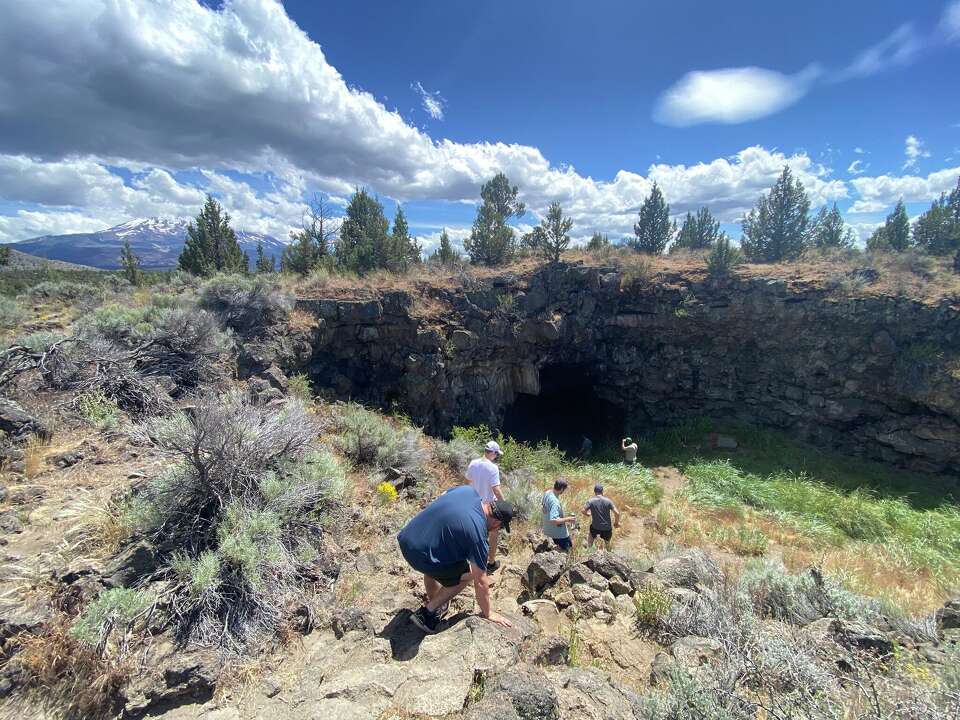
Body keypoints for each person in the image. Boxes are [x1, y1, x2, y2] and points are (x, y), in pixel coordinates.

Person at [398, 485, 515, 634]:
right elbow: (480, 581)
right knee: (468, 575)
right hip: (421, 556)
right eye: (501, 527)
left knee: (441, 558)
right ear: (497, 523)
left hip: (407, 538)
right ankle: (427, 614)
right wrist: (489, 613)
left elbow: (443, 494)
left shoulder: (468, 491)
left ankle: (436, 602)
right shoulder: (478, 536)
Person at [466, 440, 505, 573]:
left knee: (474, 533)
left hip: (473, 504)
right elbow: (496, 490)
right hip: (488, 506)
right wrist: (504, 504)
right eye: (497, 454)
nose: (496, 456)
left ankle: (471, 560)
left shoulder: (473, 463)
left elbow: (468, 483)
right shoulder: (493, 468)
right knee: (493, 533)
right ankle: (491, 562)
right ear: (492, 453)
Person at [541, 478, 576, 552]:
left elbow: (543, 508)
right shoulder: (555, 502)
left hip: (548, 529)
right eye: (564, 489)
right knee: (568, 549)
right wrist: (568, 519)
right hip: (558, 533)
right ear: (562, 489)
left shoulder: (547, 492)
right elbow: (553, 520)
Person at [582, 484, 621, 549]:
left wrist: (588, 514)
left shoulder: (591, 501)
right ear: (602, 491)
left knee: (591, 533)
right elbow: (617, 513)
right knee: (607, 543)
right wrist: (616, 523)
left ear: (594, 491)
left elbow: (583, 511)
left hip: (595, 527)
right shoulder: (608, 501)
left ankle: (589, 547)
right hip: (607, 528)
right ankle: (608, 551)